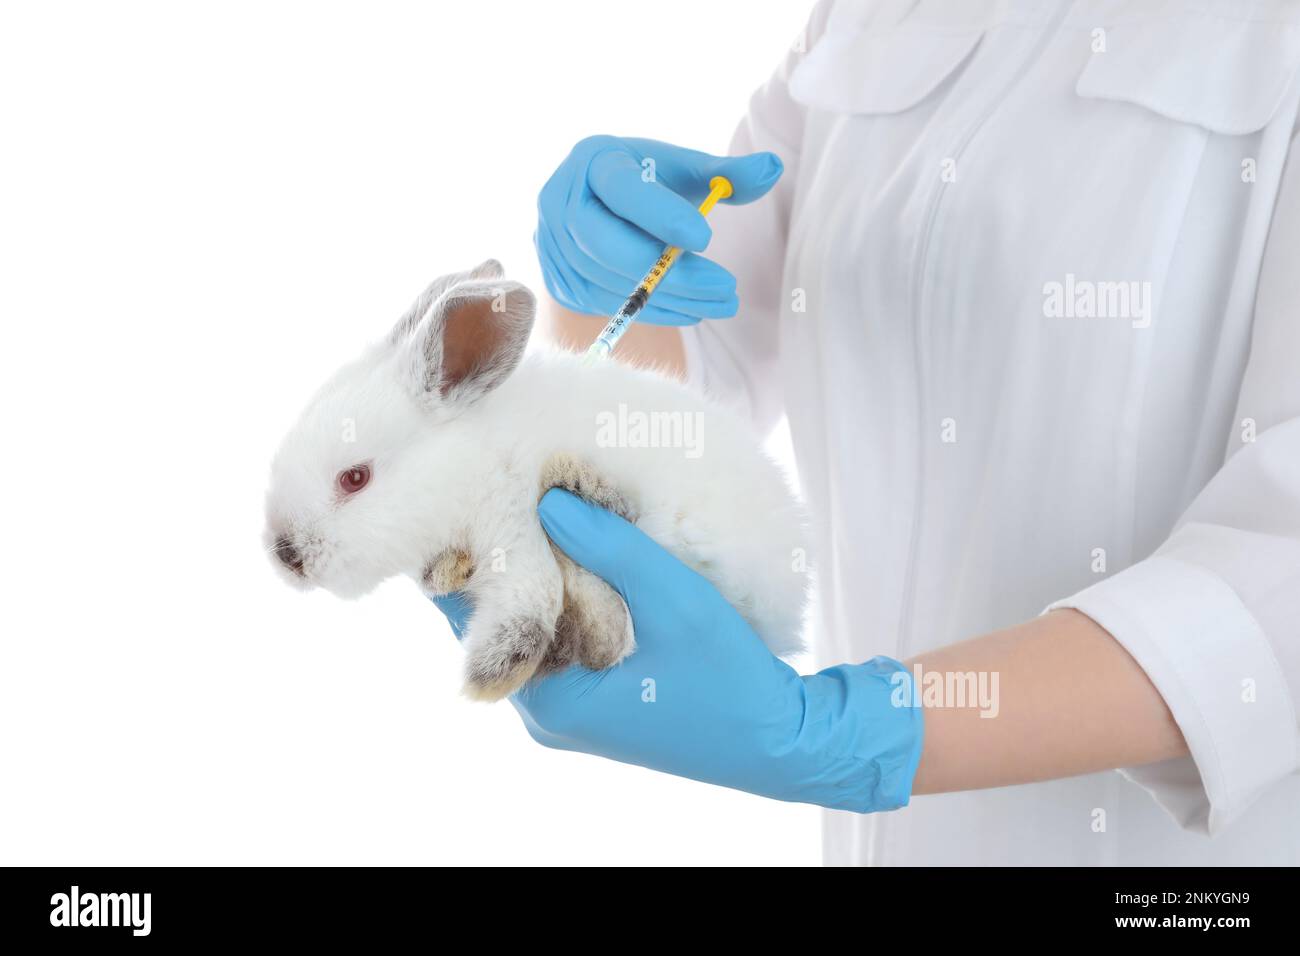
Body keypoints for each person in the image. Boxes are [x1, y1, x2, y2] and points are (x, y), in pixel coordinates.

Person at [436, 0, 1300, 865]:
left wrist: (851, 731)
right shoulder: (867, 17)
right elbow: (687, 378)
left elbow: (1271, 590)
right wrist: (607, 281)